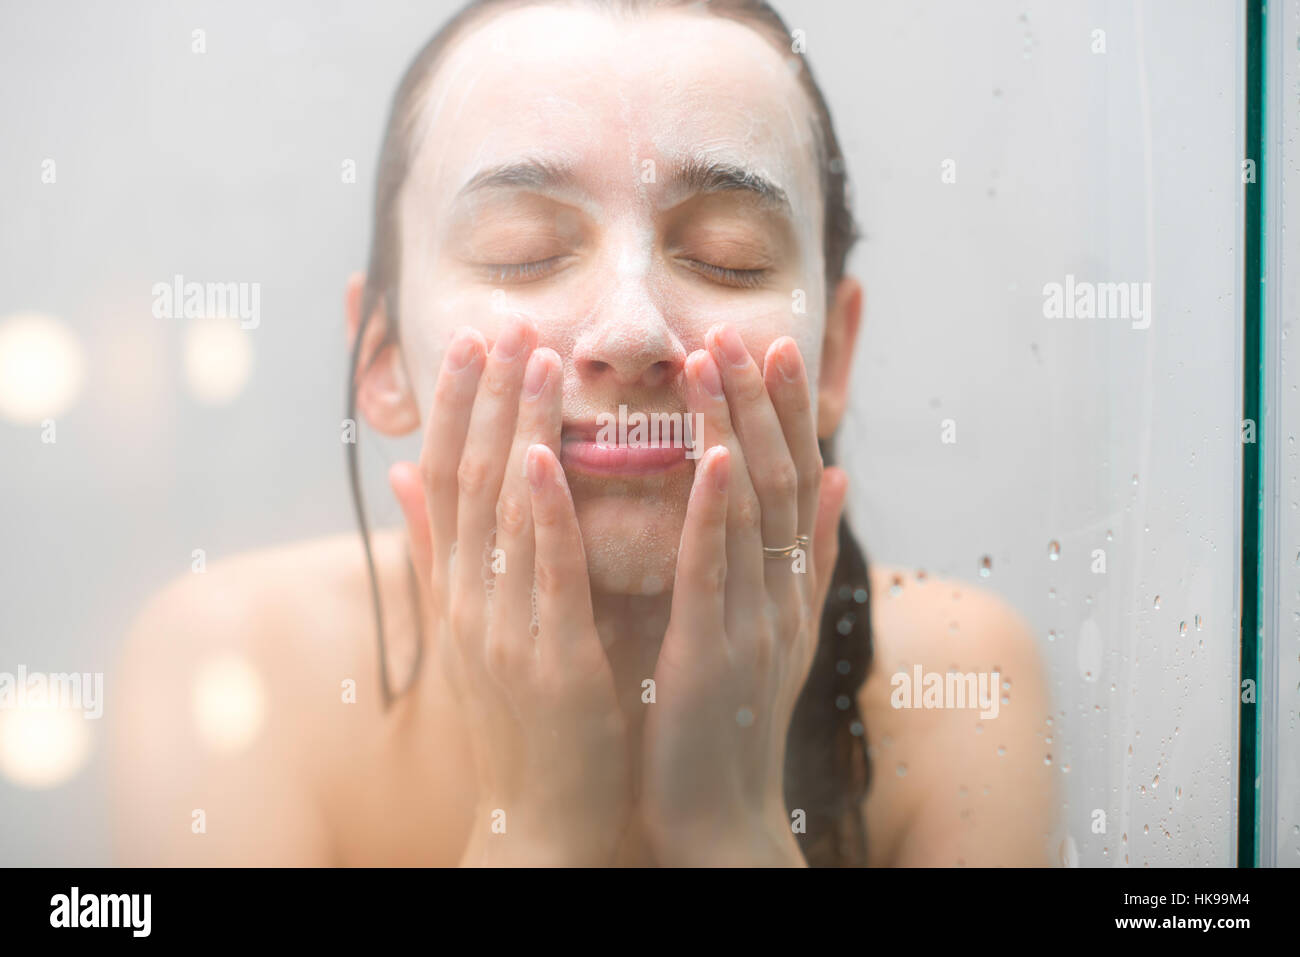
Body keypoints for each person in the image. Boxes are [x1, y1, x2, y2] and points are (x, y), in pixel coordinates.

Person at [111, 0, 1057, 866]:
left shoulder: (958, 688)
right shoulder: (237, 675)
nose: (633, 331)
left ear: (835, 357)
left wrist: (732, 830)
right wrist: (535, 823)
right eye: (521, 252)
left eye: (727, 258)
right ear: (386, 357)